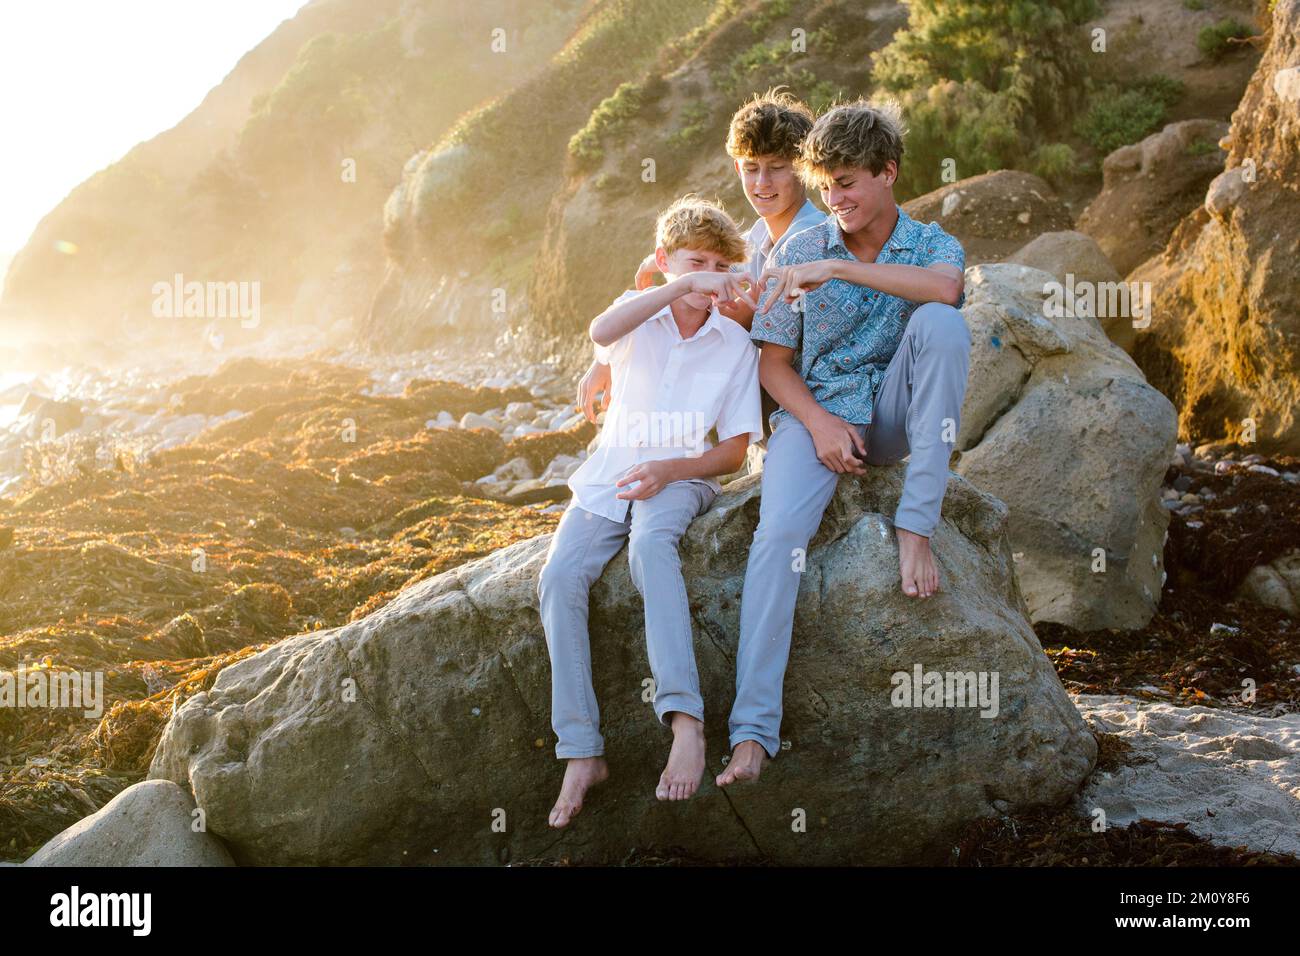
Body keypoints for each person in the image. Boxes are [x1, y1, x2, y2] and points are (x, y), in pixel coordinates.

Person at [717, 100, 972, 789]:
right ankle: (751, 733)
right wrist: (821, 424)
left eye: (849, 183)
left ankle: (916, 525)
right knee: (777, 541)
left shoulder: (931, 245)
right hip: (817, 412)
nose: (836, 199)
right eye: (825, 185)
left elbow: (946, 293)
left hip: (889, 416)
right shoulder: (795, 248)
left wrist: (841, 270)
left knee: (945, 330)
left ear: (887, 173)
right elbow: (773, 364)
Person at [538, 197, 763, 827]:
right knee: (558, 578)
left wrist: (671, 470)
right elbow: (599, 334)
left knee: (649, 549)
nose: (710, 279)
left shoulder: (733, 345)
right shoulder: (640, 320)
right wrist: (681, 286)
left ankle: (685, 721)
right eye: (696, 264)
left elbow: (735, 450)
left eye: (722, 266)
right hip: (608, 476)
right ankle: (581, 751)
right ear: (663, 263)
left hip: (680, 477)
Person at [575, 90, 826, 435]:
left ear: (803, 170)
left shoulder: (814, 238)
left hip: (808, 399)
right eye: (751, 168)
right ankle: (652, 454)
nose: (762, 183)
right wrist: (604, 360)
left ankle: (675, 456)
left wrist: (749, 321)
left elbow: (804, 337)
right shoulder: (754, 239)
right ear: (738, 167)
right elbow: (699, 278)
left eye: (777, 169)